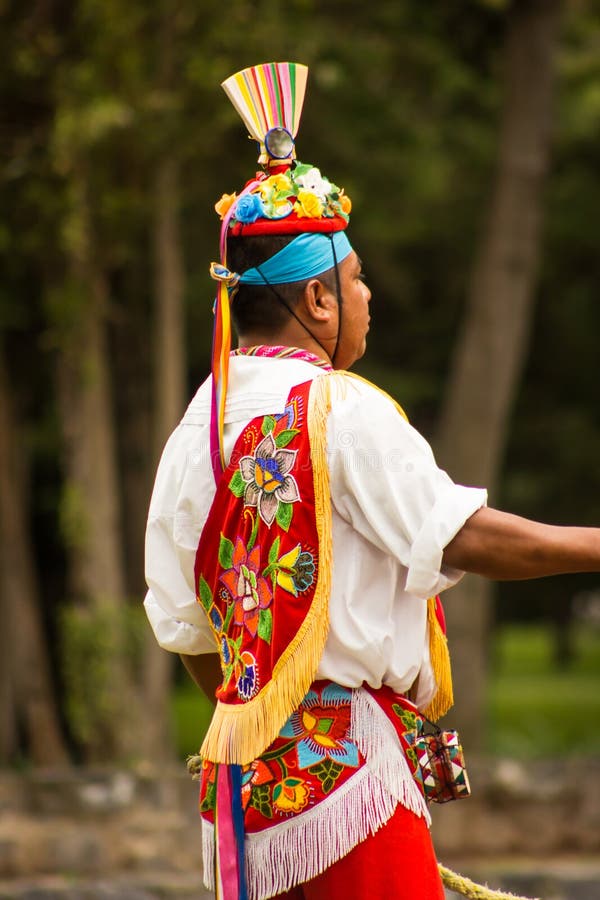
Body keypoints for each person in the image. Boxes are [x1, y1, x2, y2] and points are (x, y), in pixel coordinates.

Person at [144, 62, 600, 900]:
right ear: (317, 300)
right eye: (355, 280)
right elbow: (464, 537)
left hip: (245, 800)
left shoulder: (195, 430)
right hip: (349, 785)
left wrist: (267, 719)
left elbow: (189, 637)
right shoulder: (337, 409)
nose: (366, 294)